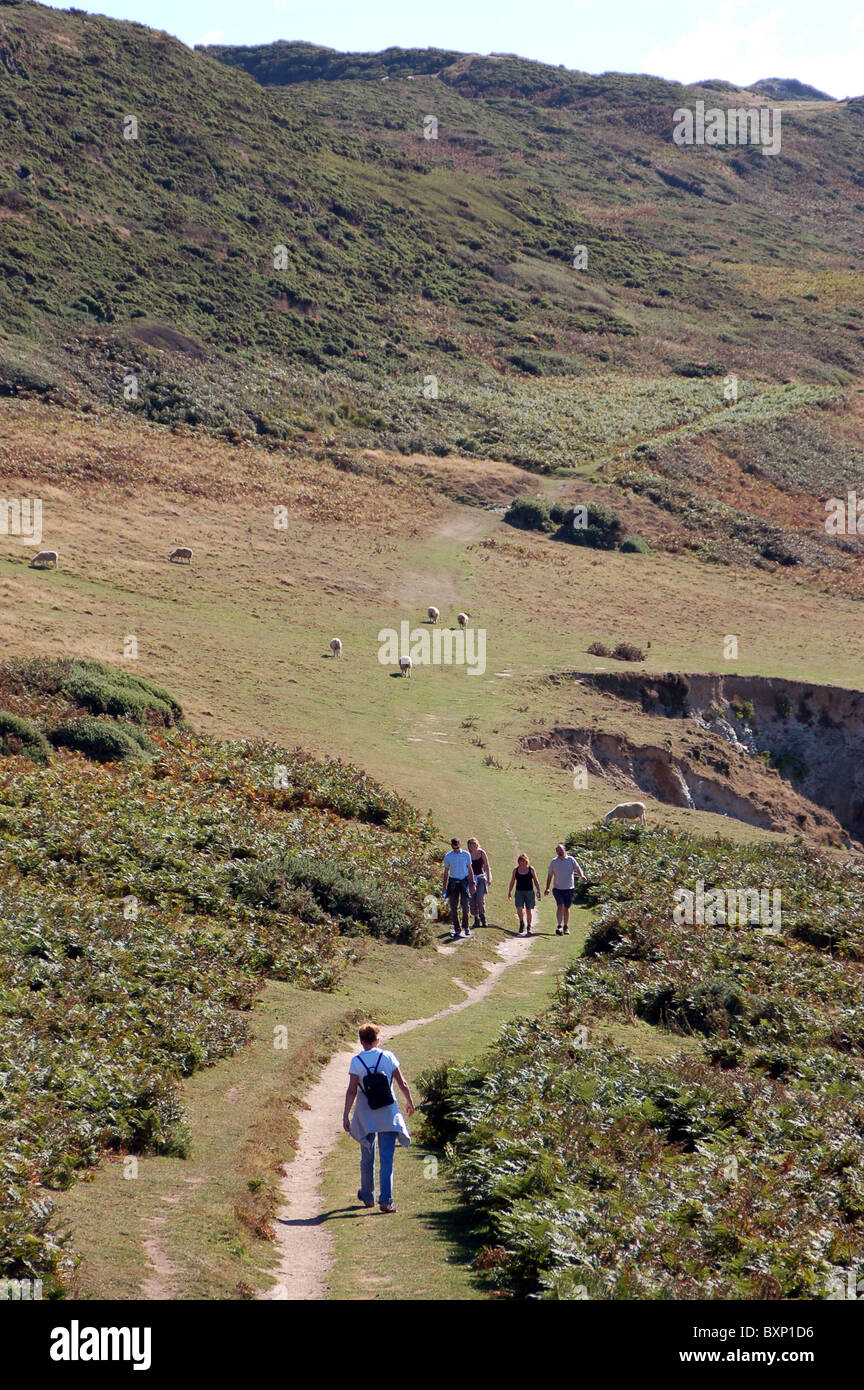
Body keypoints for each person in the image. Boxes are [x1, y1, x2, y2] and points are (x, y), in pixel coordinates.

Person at [342, 1023, 415, 1214]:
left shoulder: (356, 1062)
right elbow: (402, 1083)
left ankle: (367, 1195)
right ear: (377, 1039)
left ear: (360, 1041)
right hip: (388, 1114)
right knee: (387, 1159)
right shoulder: (388, 1056)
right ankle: (386, 1200)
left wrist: (346, 1115)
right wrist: (409, 1101)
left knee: (367, 1157)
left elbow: (351, 1091)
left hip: (365, 1115)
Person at [544, 842, 587, 935]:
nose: (560, 852)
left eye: (561, 850)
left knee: (566, 908)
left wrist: (582, 876)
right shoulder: (554, 862)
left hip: (569, 888)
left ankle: (565, 926)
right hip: (558, 889)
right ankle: (559, 925)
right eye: (558, 851)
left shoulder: (571, 860)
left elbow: (578, 869)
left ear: (565, 850)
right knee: (560, 906)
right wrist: (547, 888)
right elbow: (550, 875)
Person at [442, 836, 476, 938]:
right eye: (454, 848)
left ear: (459, 845)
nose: (456, 850)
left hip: (464, 881)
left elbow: (470, 869)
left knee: (465, 905)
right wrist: (444, 886)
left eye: (457, 848)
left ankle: (466, 926)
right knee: (453, 906)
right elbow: (446, 872)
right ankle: (457, 928)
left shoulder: (466, 855)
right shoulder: (448, 856)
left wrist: (472, 883)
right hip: (453, 881)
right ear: (451, 846)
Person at [507, 853, 541, 935]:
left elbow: (536, 880)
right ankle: (521, 922)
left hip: (529, 892)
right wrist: (510, 891)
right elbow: (512, 881)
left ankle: (529, 926)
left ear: (526, 861)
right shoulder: (516, 870)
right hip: (519, 892)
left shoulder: (531, 869)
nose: (522, 863)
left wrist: (538, 890)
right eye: (520, 861)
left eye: (523, 861)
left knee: (528, 910)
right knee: (519, 909)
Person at [466, 836, 491, 929]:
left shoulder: (481, 853)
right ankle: (476, 918)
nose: (469, 848)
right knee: (472, 900)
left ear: (475, 845)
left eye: (470, 846)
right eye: (468, 847)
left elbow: (487, 866)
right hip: (471, 879)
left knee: (480, 899)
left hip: (481, 878)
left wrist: (489, 878)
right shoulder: (468, 854)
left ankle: (482, 917)